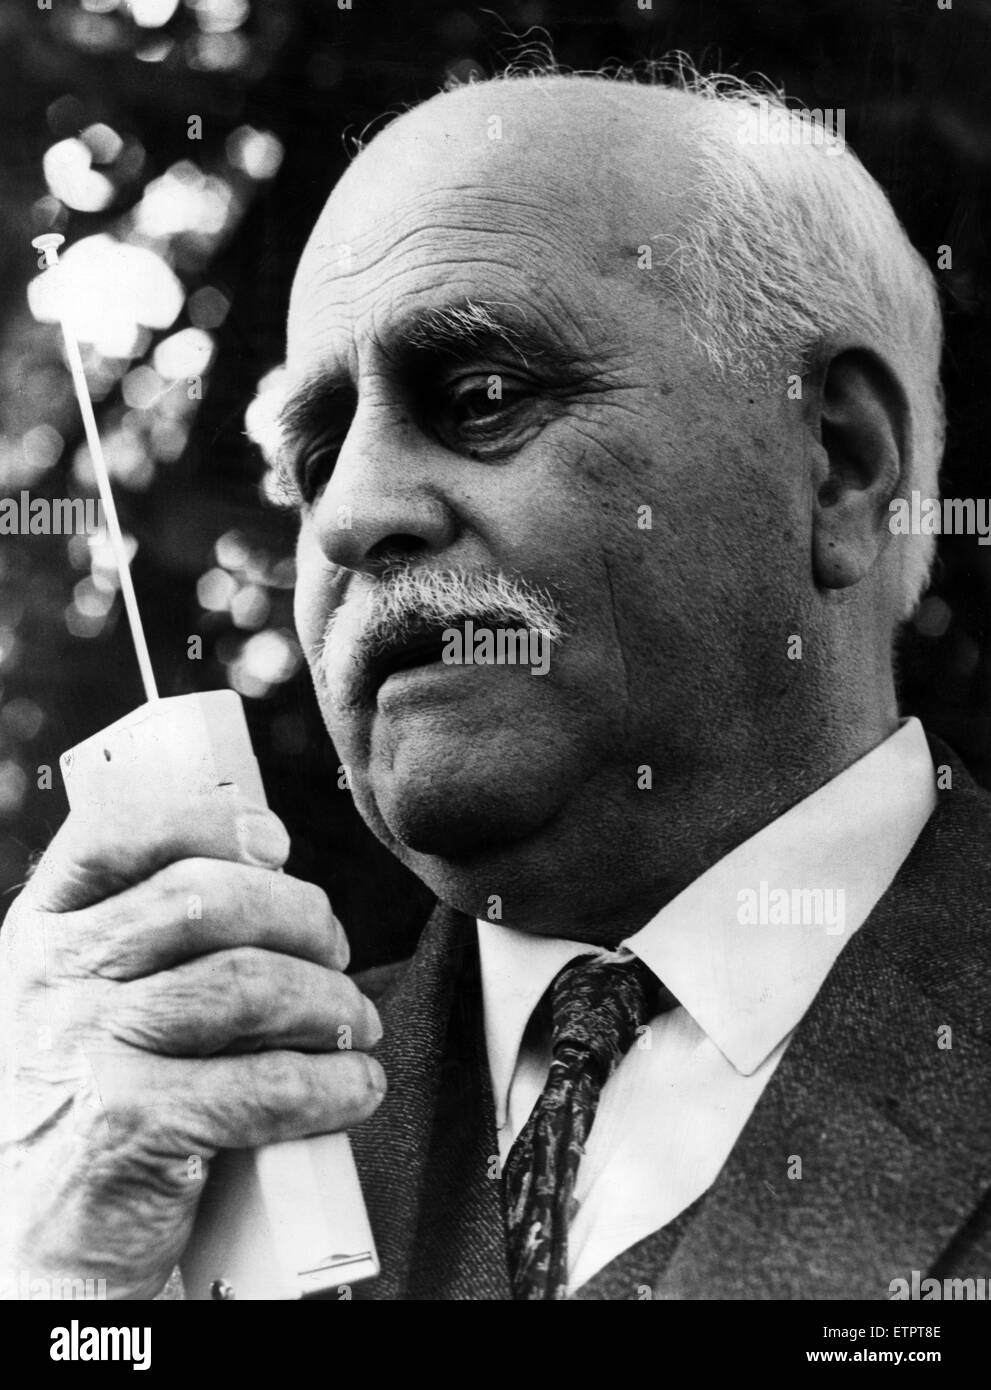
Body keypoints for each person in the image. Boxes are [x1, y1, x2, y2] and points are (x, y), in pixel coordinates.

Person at [3, 64, 990, 1302]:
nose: (350, 515)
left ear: (839, 464)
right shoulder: (147, 1158)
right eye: (312, 457)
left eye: (480, 399)